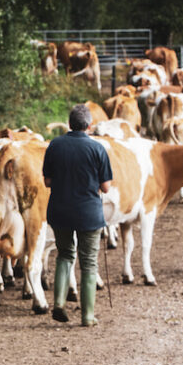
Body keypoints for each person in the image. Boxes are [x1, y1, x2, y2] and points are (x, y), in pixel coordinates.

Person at [42, 103, 113, 326]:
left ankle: (59, 304)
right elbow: (106, 187)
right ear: (89, 126)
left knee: (64, 255)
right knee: (89, 263)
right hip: (88, 214)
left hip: (60, 211)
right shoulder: (98, 148)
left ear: (69, 124)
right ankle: (87, 316)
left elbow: (47, 181)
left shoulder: (55, 145)